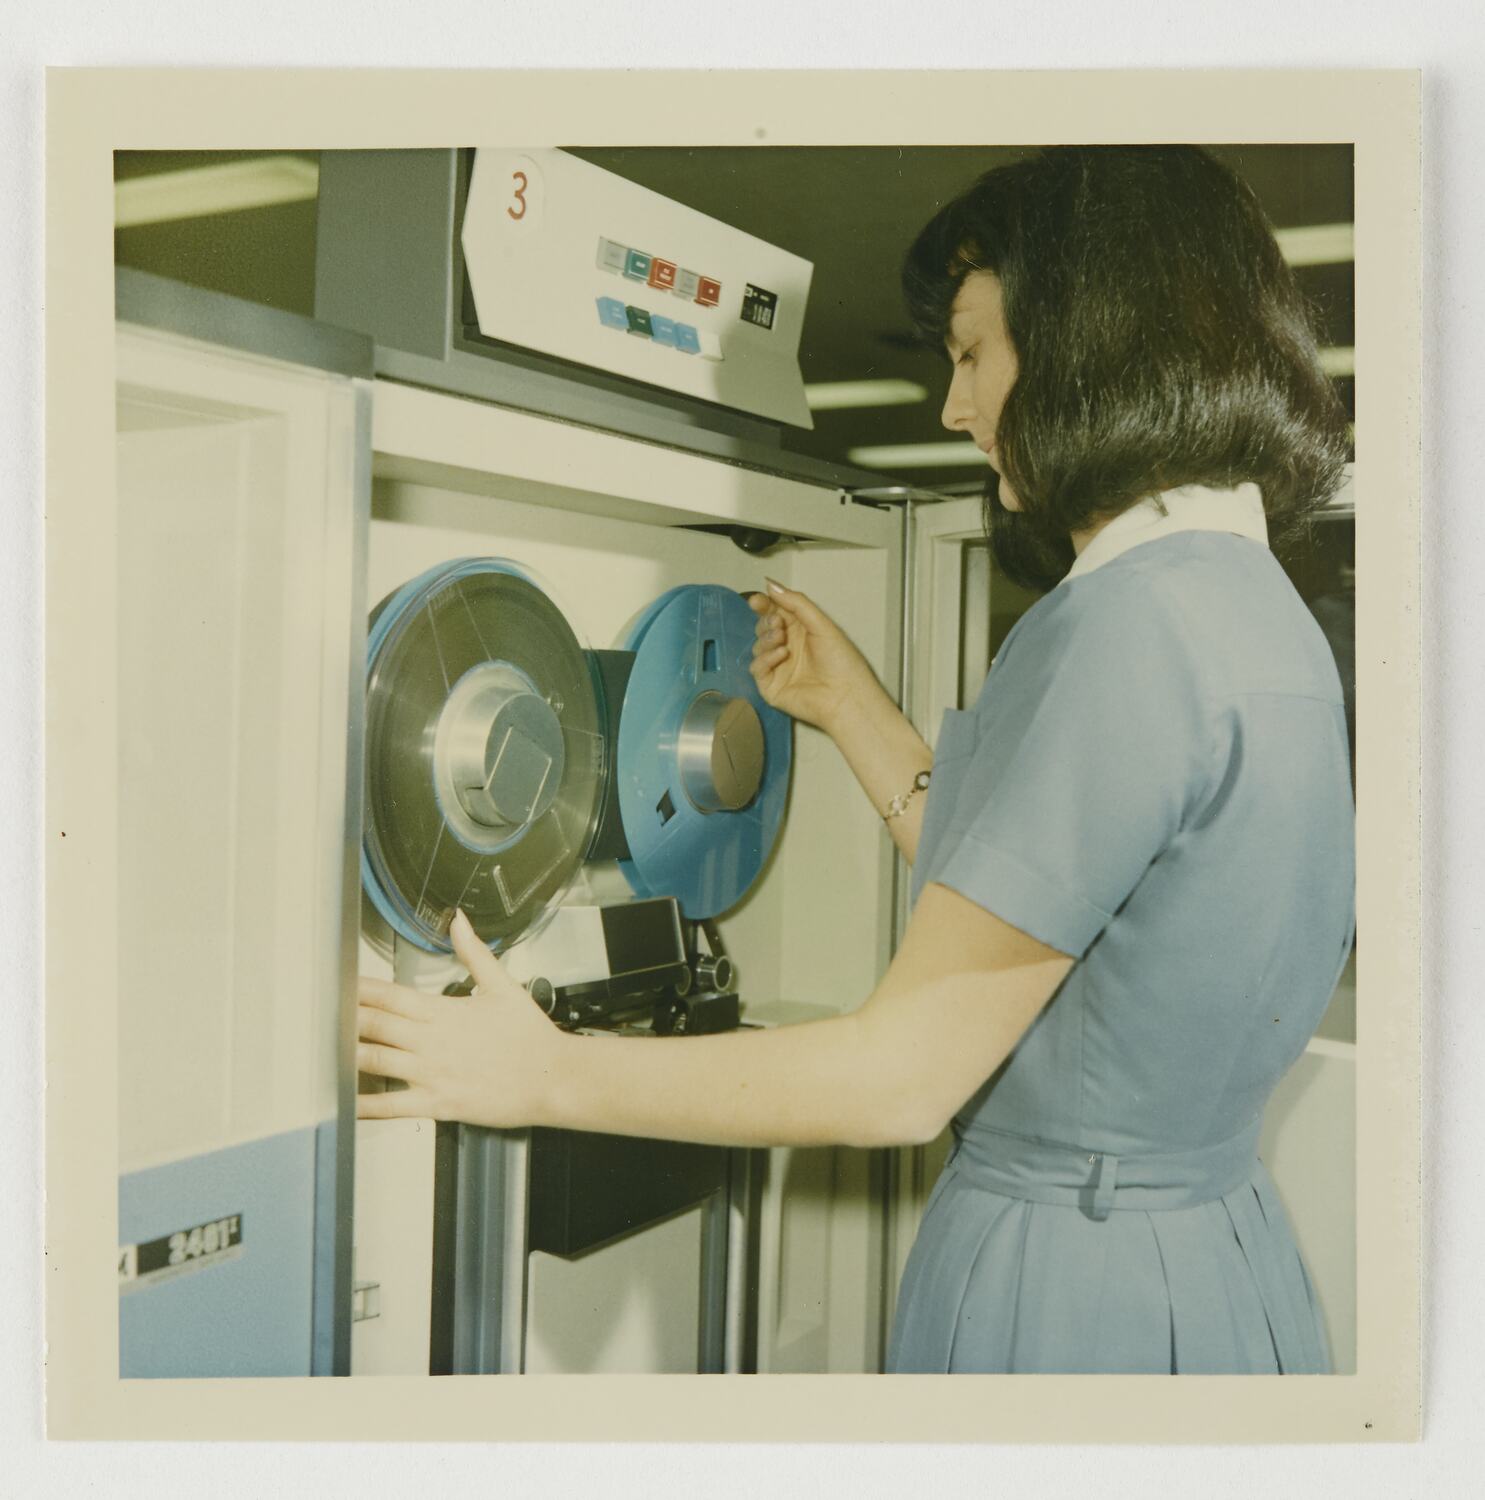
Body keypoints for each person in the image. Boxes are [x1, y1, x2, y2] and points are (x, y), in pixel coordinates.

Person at [357, 146, 1356, 1374]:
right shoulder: (1253, 608)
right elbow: (1052, 929)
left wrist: (545, 1072)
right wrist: (852, 709)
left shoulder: (1125, 628)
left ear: (1095, 344)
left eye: (973, 353)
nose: (952, 406)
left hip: (1071, 1288)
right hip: (1210, 1270)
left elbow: (898, 1079)